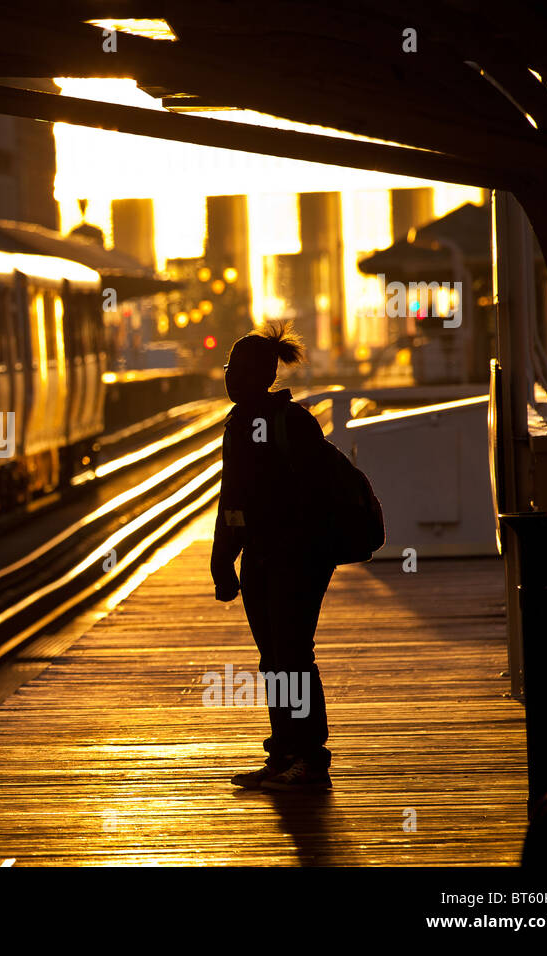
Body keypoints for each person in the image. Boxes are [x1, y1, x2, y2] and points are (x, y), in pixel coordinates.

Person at [211, 322, 336, 792]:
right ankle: (284, 753)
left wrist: (224, 559)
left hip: (293, 557)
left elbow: (237, 500)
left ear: (260, 374)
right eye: (228, 368)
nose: (229, 378)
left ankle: (308, 758)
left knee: (292, 656)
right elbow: (237, 502)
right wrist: (230, 557)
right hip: (267, 557)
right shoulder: (256, 420)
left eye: (238, 370)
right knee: (276, 658)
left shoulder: (268, 423)